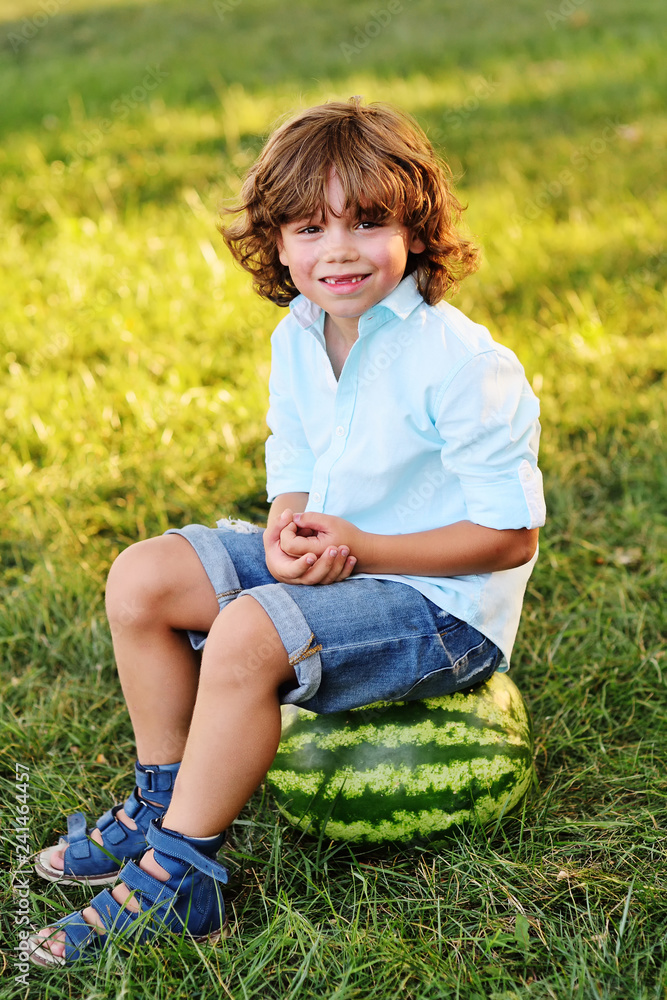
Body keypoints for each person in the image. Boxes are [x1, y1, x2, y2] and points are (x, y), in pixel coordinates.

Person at [30, 98, 546, 966]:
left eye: (368, 221)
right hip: (341, 565)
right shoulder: (300, 335)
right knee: (144, 578)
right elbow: (296, 454)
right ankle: (161, 802)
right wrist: (282, 531)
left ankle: (180, 879)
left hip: (440, 608)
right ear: (276, 244)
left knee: (245, 633)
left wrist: (362, 548)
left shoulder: (463, 365)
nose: (337, 249)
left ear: (417, 232)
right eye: (309, 227)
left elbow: (508, 538)